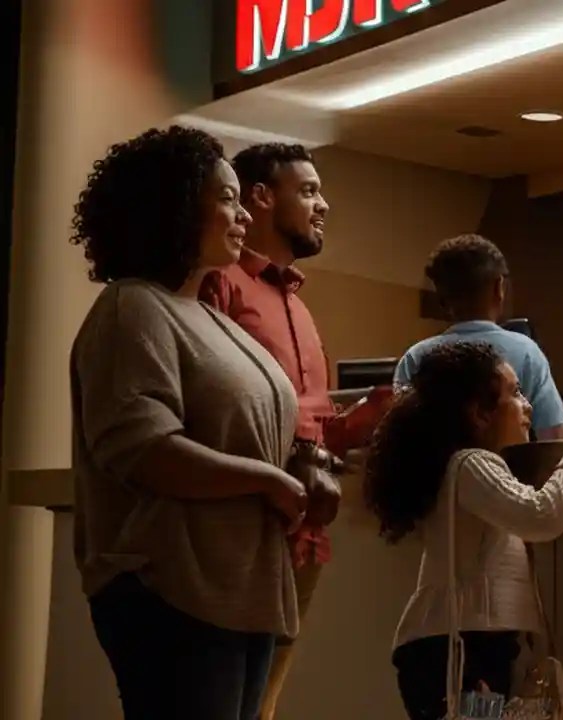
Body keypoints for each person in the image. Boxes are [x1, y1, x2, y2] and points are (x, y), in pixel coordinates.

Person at [69, 126, 306, 719]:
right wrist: (268, 481)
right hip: (172, 593)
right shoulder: (133, 307)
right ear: (173, 204)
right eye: (226, 198)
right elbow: (146, 451)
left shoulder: (207, 316)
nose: (244, 216)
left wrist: (306, 468)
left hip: (240, 592)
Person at [199, 142, 391, 720]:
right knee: (222, 695)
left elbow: (313, 431)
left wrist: (368, 419)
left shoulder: (299, 305)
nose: (323, 203)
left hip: (306, 530)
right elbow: (214, 408)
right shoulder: (221, 284)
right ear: (260, 197)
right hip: (245, 527)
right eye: (307, 191)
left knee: (265, 700)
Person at [365, 341, 563, 720]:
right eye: (515, 393)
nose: (527, 405)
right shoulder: (472, 463)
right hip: (464, 651)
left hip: (452, 649)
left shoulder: (456, 468)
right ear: (479, 413)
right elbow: (541, 515)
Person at [395, 234, 563, 440]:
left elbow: (399, 440)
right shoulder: (526, 353)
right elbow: (555, 439)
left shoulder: (415, 358)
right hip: (507, 472)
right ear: (499, 288)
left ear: (442, 299)